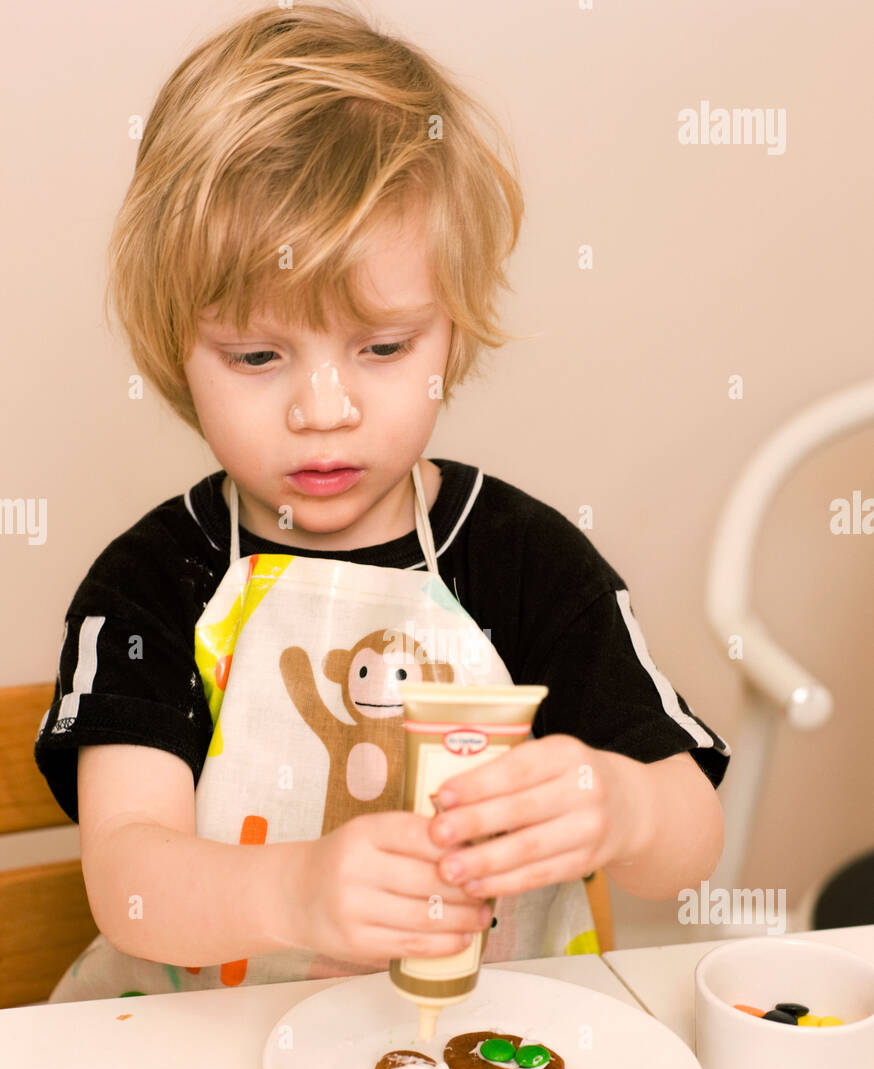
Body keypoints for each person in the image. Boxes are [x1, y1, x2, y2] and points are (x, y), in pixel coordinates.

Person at [34, 3, 729, 1002]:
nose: (326, 409)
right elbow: (128, 883)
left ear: (452, 330)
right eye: (259, 356)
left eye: (384, 348)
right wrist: (296, 889)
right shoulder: (153, 582)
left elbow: (685, 843)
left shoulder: (526, 564)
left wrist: (621, 806)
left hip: (472, 1067)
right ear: (177, 350)